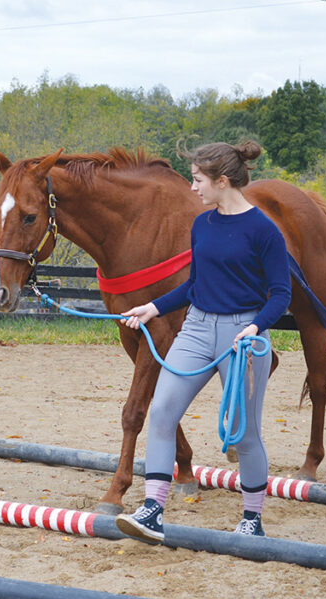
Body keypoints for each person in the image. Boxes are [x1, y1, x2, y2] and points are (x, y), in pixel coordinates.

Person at [114, 140, 291, 543]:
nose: (193, 187)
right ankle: (153, 511)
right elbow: (195, 285)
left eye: (198, 180)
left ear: (222, 181)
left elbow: (281, 293)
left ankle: (252, 519)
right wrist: (154, 308)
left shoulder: (264, 231)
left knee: (245, 434)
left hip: (242, 336)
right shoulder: (202, 225)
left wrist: (256, 327)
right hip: (195, 329)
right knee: (161, 413)